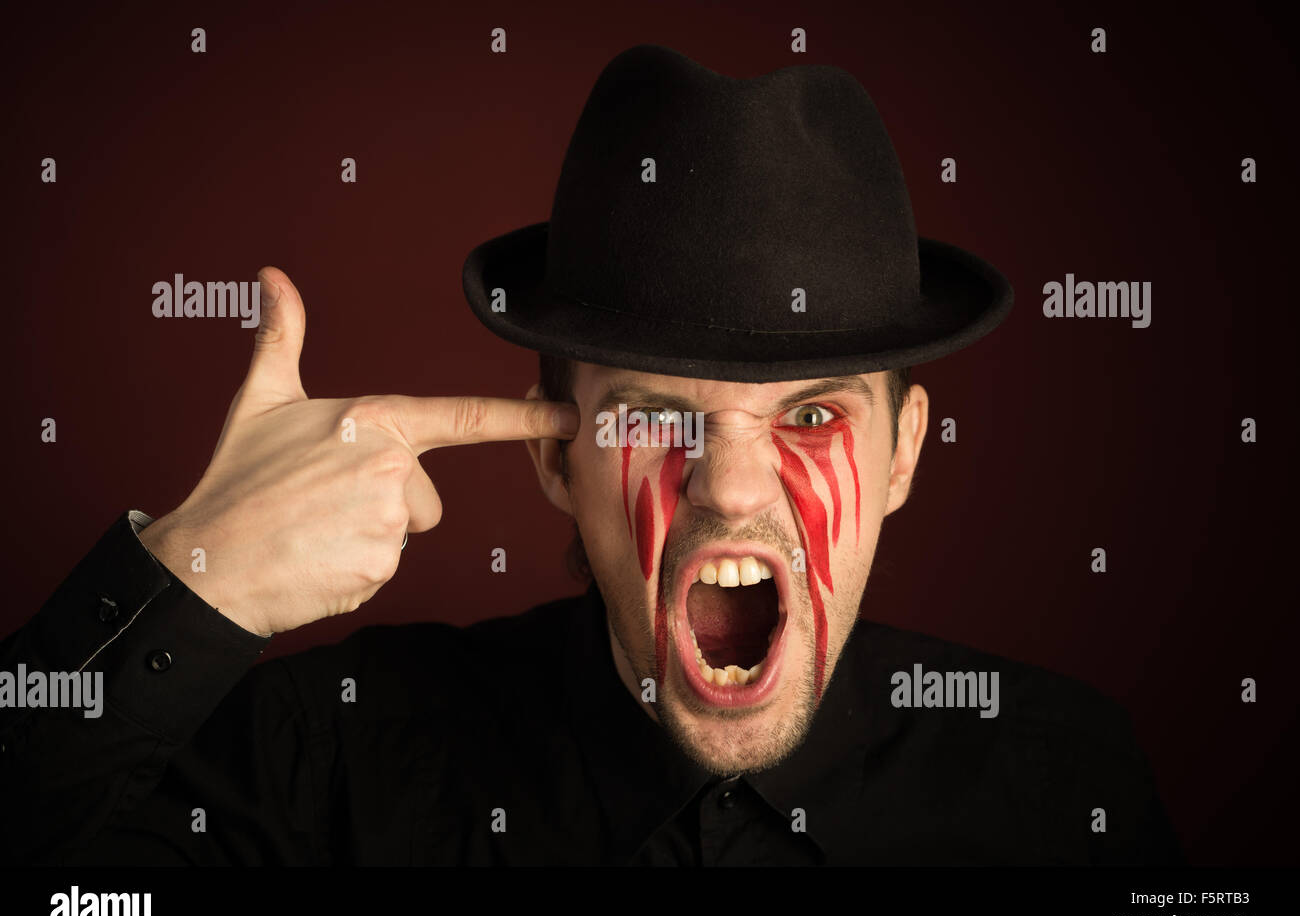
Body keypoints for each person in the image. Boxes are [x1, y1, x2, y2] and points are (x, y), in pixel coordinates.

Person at [0, 44, 1181, 865]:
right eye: (654, 417)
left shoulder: (1061, 784)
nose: (727, 487)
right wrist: (193, 576)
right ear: (556, 462)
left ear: (903, 456)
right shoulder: (331, 763)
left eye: (811, 415)